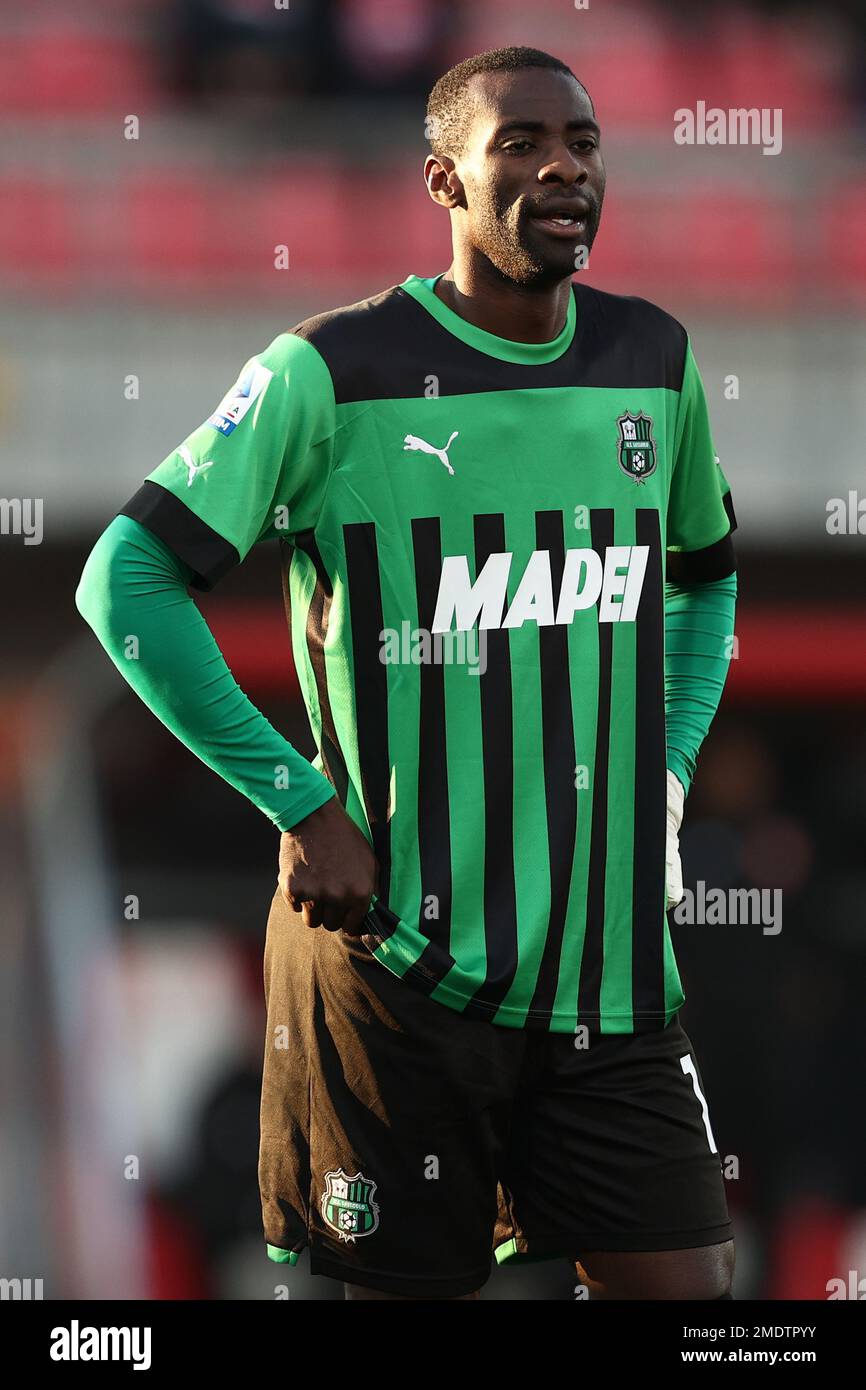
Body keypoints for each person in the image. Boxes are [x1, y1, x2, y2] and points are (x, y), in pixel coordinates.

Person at [76, 45, 739, 1301]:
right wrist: (299, 802)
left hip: (605, 983)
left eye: (583, 143)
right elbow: (125, 582)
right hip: (395, 973)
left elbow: (702, 582)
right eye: (520, 143)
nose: (561, 166)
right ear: (443, 178)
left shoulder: (652, 357)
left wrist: (661, 766)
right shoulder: (331, 372)